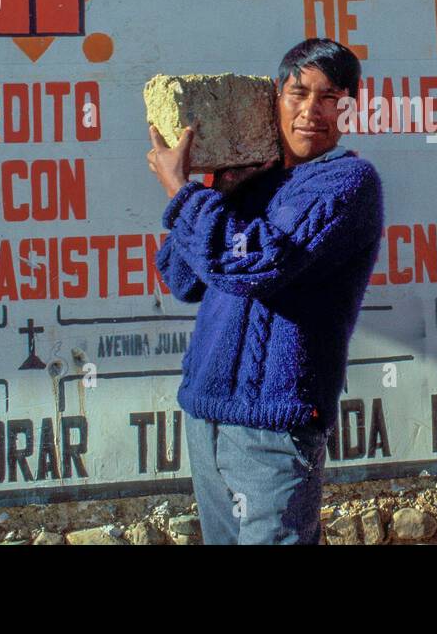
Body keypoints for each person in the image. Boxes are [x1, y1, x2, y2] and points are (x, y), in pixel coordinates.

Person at [145, 39, 384, 544]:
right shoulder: (255, 179)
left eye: (329, 97)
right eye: (298, 93)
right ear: (275, 96)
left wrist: (183, 193)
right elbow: (183, 278)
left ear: (349, 108)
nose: (310, 112)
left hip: (275, 427)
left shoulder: (348, 181)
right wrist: (219, 189)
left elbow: (252, 265)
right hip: (205, 413)